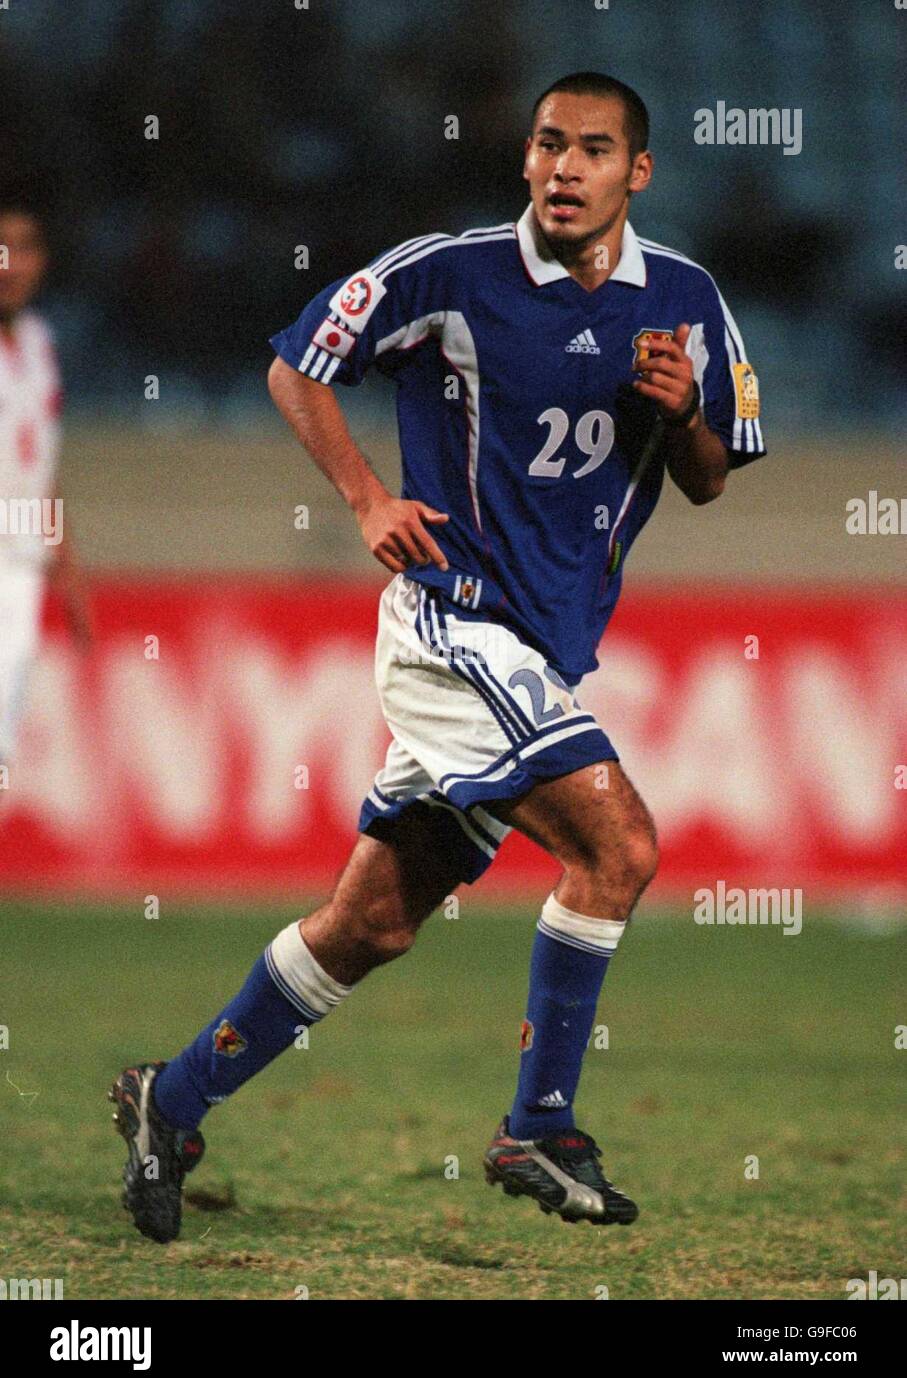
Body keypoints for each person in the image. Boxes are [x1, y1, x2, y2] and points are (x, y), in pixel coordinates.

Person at [110, 72, 765, 1243]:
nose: (565, 168)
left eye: (594, 150)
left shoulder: (689, 299)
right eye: (548, 145)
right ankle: (541, 1126)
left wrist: (685, 415)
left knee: (373, 923)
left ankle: (170, 1100)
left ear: (638, 173)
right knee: (619, 846)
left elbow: (712, 478)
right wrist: (366, 498)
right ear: (523, 160)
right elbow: (294, 363)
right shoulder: (448, 273)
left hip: (543, 657)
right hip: (451, 623)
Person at [0, 191, 91, 779]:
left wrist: (65, 561)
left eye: (23, 248)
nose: (10, 262)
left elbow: (41, 468)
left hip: (21, 566)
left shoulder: (37, 343)